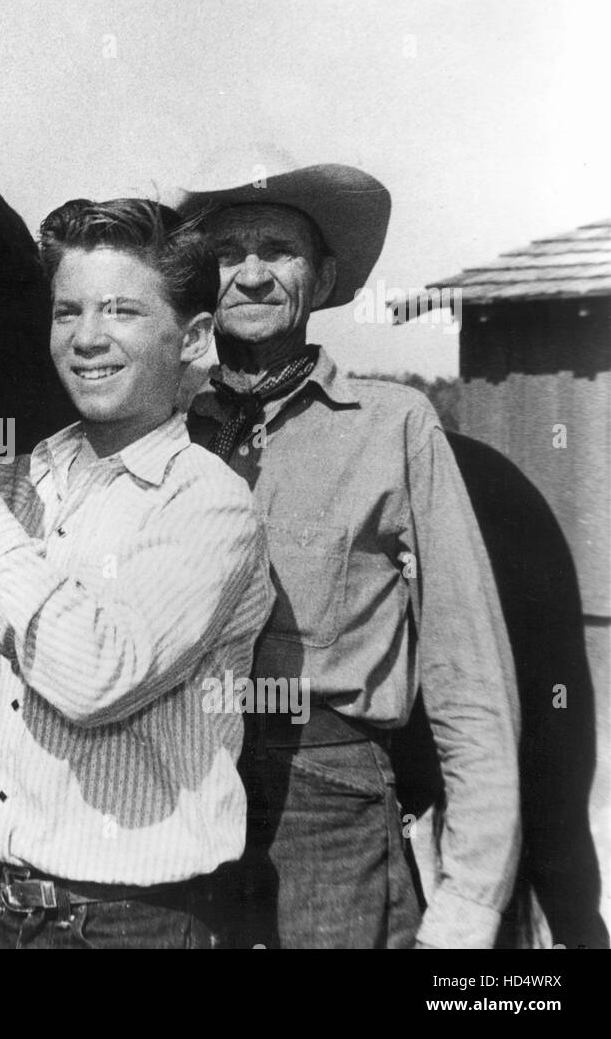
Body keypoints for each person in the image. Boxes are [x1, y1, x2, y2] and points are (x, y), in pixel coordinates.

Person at [0, 199, 274, 949]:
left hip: (137, 926)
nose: (87, 337)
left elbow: (94, 676)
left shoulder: (208, 502)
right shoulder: (24, 477)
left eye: (122, 310)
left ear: (195, 337)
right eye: (67, 310)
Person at [179, 152, 521, 949]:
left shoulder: (394, 425)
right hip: (177, 803)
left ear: (324, 277)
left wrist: (471, 896)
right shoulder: (164, 427)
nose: (253, 275)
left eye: (280, 252)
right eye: (230, 254)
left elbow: (469, 671)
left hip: (331, 814)